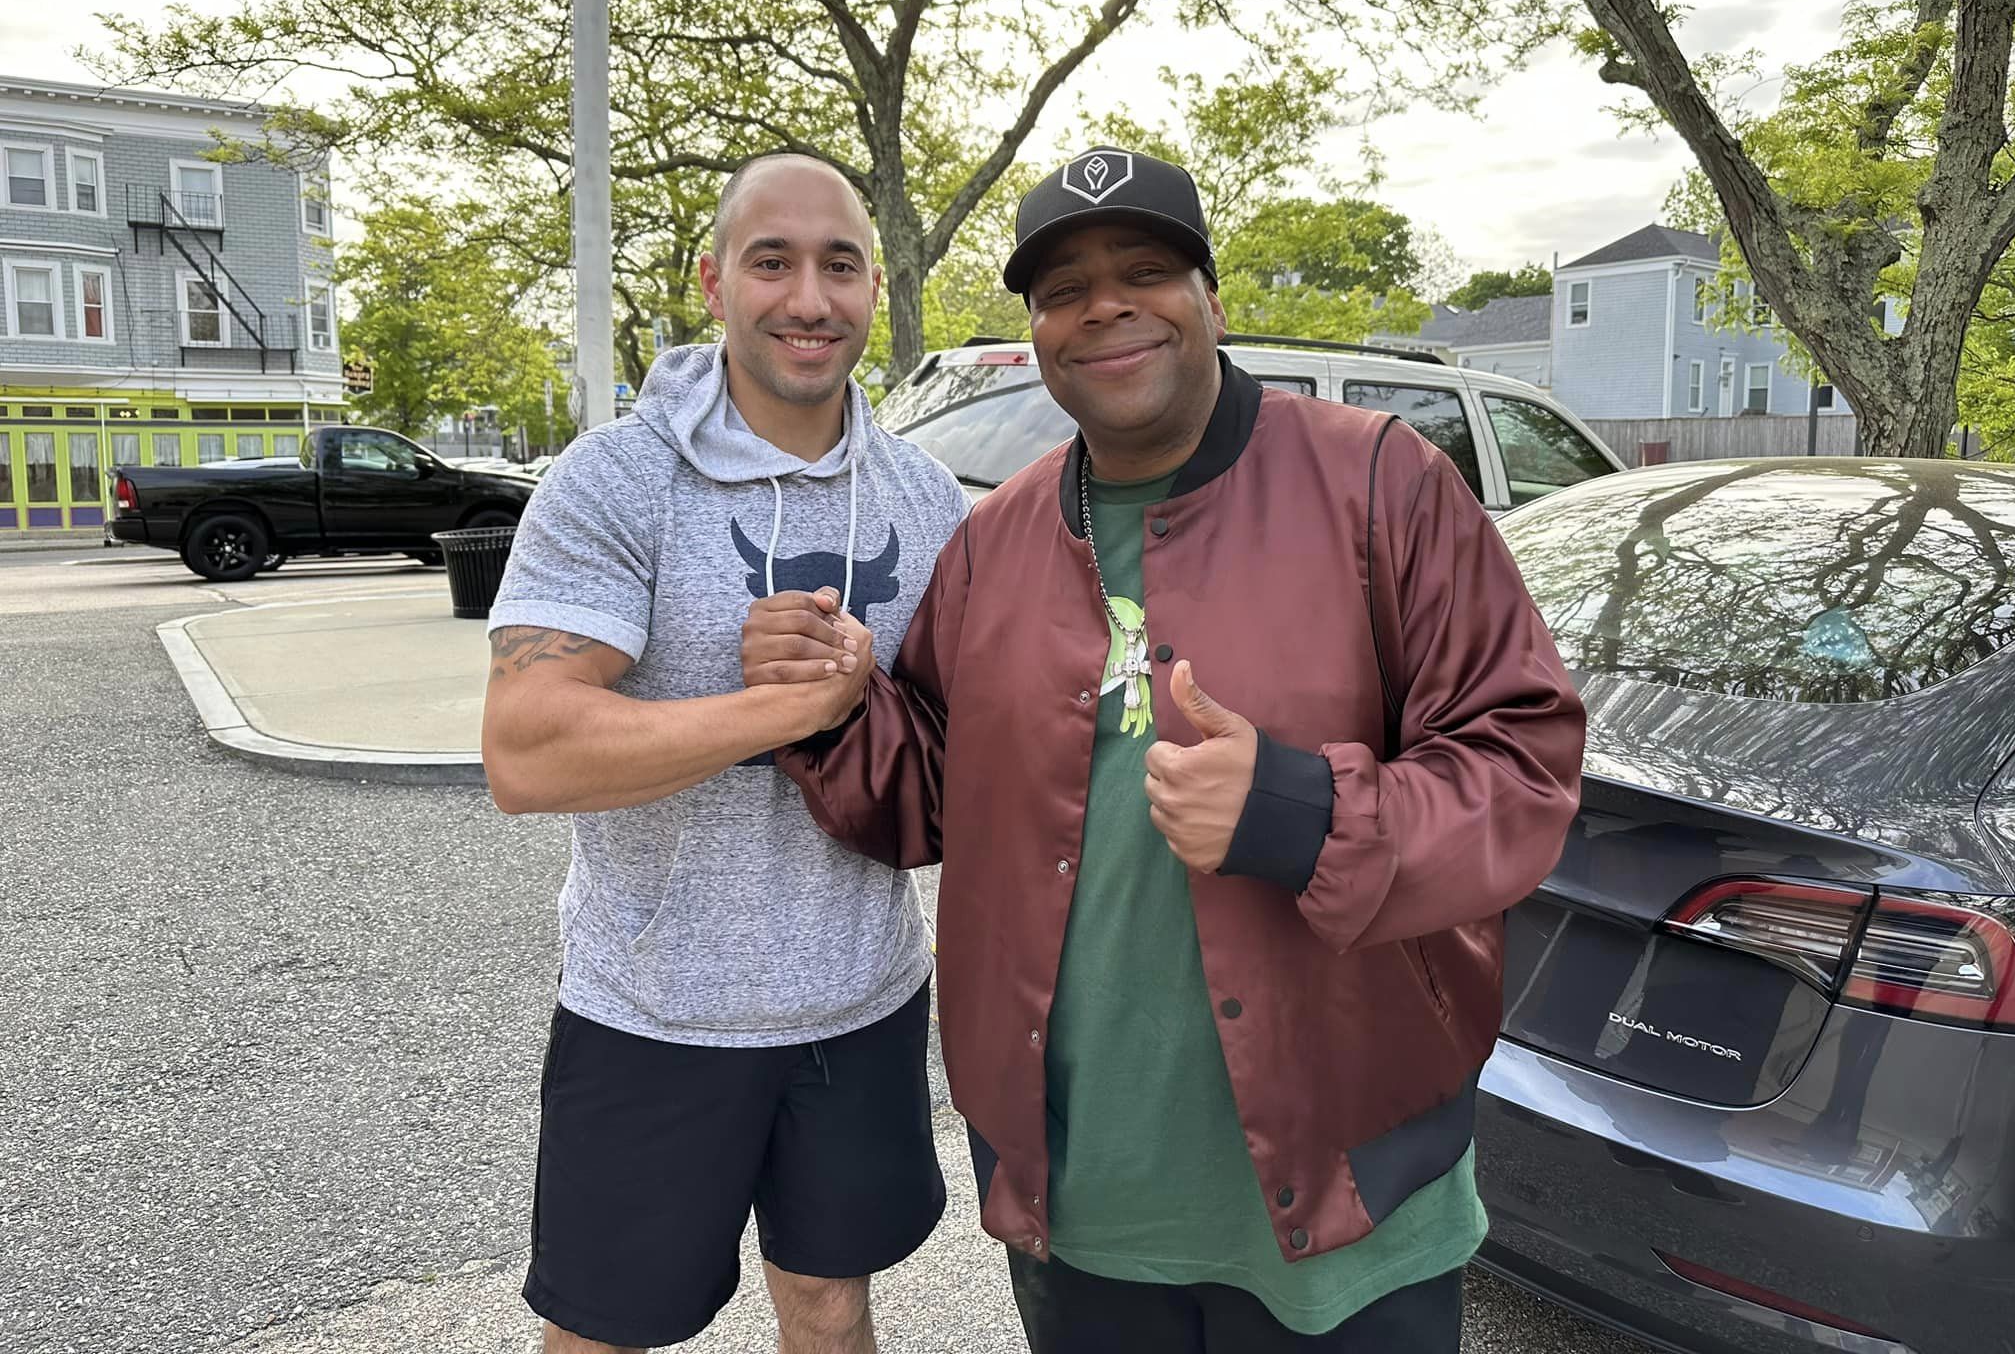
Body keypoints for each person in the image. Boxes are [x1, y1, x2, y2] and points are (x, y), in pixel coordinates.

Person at [741, 147, 1587, 1352]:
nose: (1104, 308)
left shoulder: (1379, 485)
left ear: (1211, 302)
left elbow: (1523, 764)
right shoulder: (997, 540)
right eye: (1063, 290)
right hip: (1083, 1199)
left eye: (1146, 270)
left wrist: (1300, 813)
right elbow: (930, 794)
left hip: (1344, 1181)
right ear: (1037, 332)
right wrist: (836, 705)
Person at [481, 152, 968, 1354]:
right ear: (713, 282)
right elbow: (526, 752)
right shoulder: (618, 478)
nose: (808, 296)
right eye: (772, 261)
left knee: (830, 1301)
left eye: (838, 264)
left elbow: (966, 746)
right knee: (603, 1331)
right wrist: (785, 710)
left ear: (873, 290)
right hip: (654, 1012)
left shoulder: (928, 498)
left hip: (860, 1000)